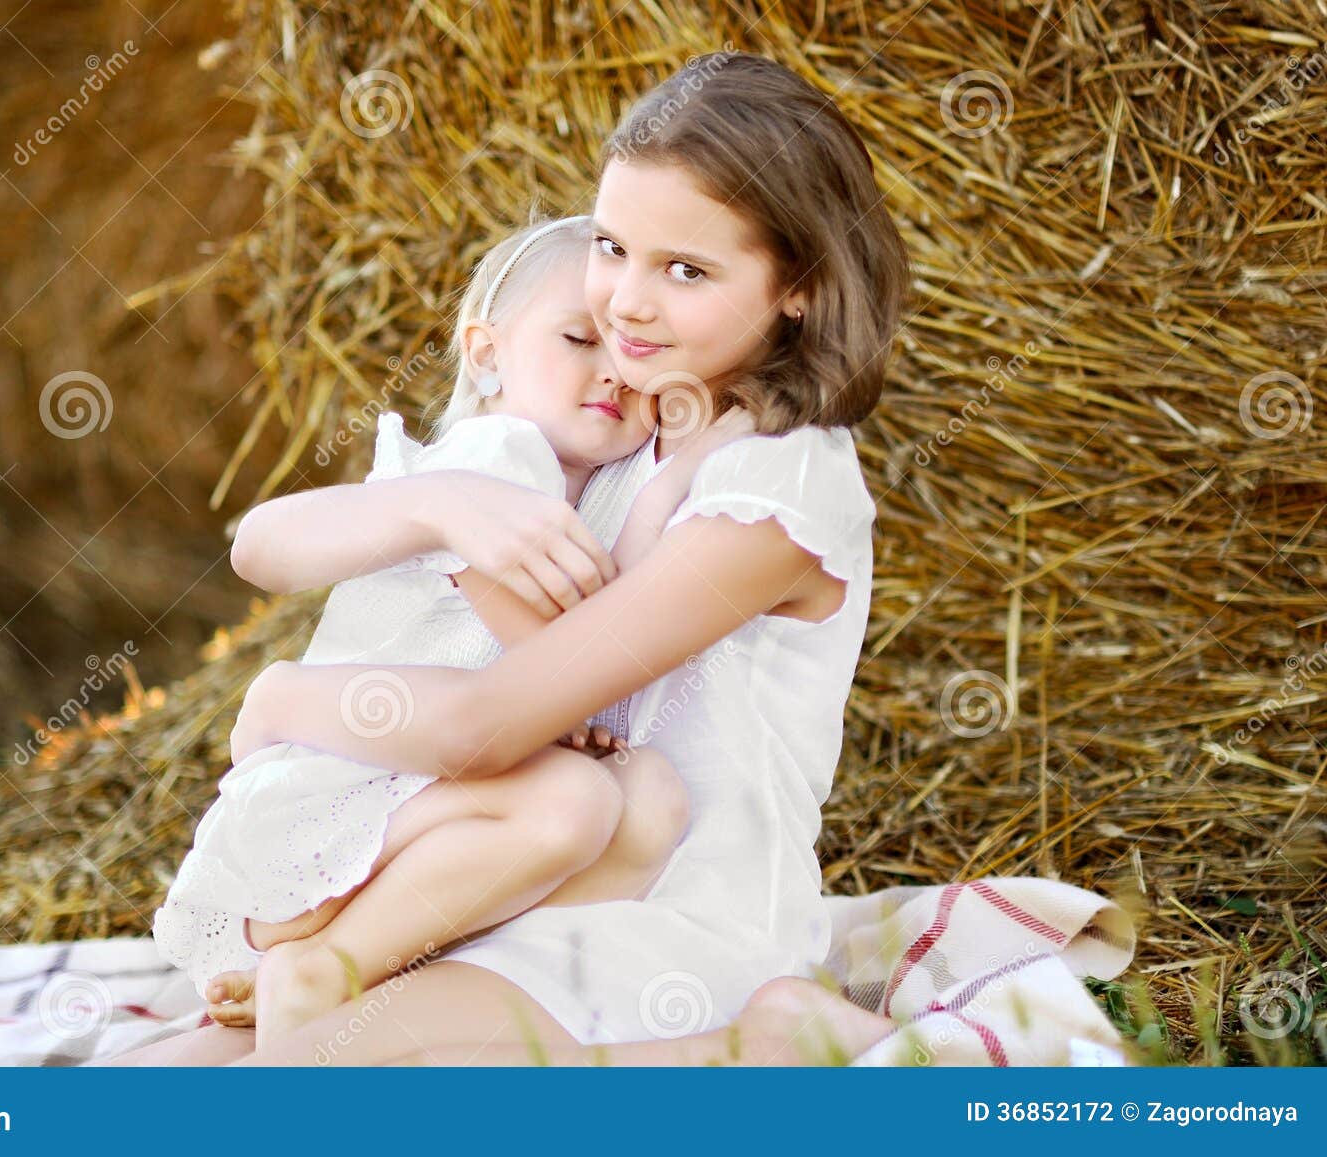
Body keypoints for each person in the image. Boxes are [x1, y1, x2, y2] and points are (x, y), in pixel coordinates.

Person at [100, 49, 911, 1067]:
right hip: (508, 885)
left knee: (281, 1074)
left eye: (687, 270)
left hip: (660, 923)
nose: (626, 303)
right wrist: (439, 500)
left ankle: (744, 1042)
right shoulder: (614, 437)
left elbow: (485, 729)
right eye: (613, 246)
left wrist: (279, 700)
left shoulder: (775, 493)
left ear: (797, 287)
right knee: (160, 1071)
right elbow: (271, 541)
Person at [151, 214, 757, 1046]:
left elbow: (627, 609)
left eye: (633, 356)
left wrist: (685, 465)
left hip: (416, 837)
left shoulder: (600, 483)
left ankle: (368, 973)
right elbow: (564, 652)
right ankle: (329, 965)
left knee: (649, 797)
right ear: (486, 353)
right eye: (579, 338)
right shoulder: (493, 457)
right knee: (581, 796)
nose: (611, 372)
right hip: (328, 817)